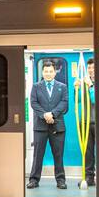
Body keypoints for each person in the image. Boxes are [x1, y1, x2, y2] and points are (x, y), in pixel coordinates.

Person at [28, 60, 69, 189]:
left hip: (57, 126)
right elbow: (33, 103)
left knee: (58, 154)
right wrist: (44, 115)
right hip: (40, 126)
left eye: (51, 71)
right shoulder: (36, 86)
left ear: (55, 72)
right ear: (42, 72)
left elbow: (64, 102)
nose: (48, 74)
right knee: (38, 154)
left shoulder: (62, 87)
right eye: (46, 71)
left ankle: (60, 180)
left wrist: (52, 114)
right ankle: (34, 180)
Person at [81, 58, 97, 188]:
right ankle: (89, 177)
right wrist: (77, 89)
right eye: (89, 68)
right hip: (86, 122)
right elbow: (79, 100)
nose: (91, 71)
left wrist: (90, 87)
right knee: (88, 152)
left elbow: (95, 100)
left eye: (93, 68)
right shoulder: (84, 83)